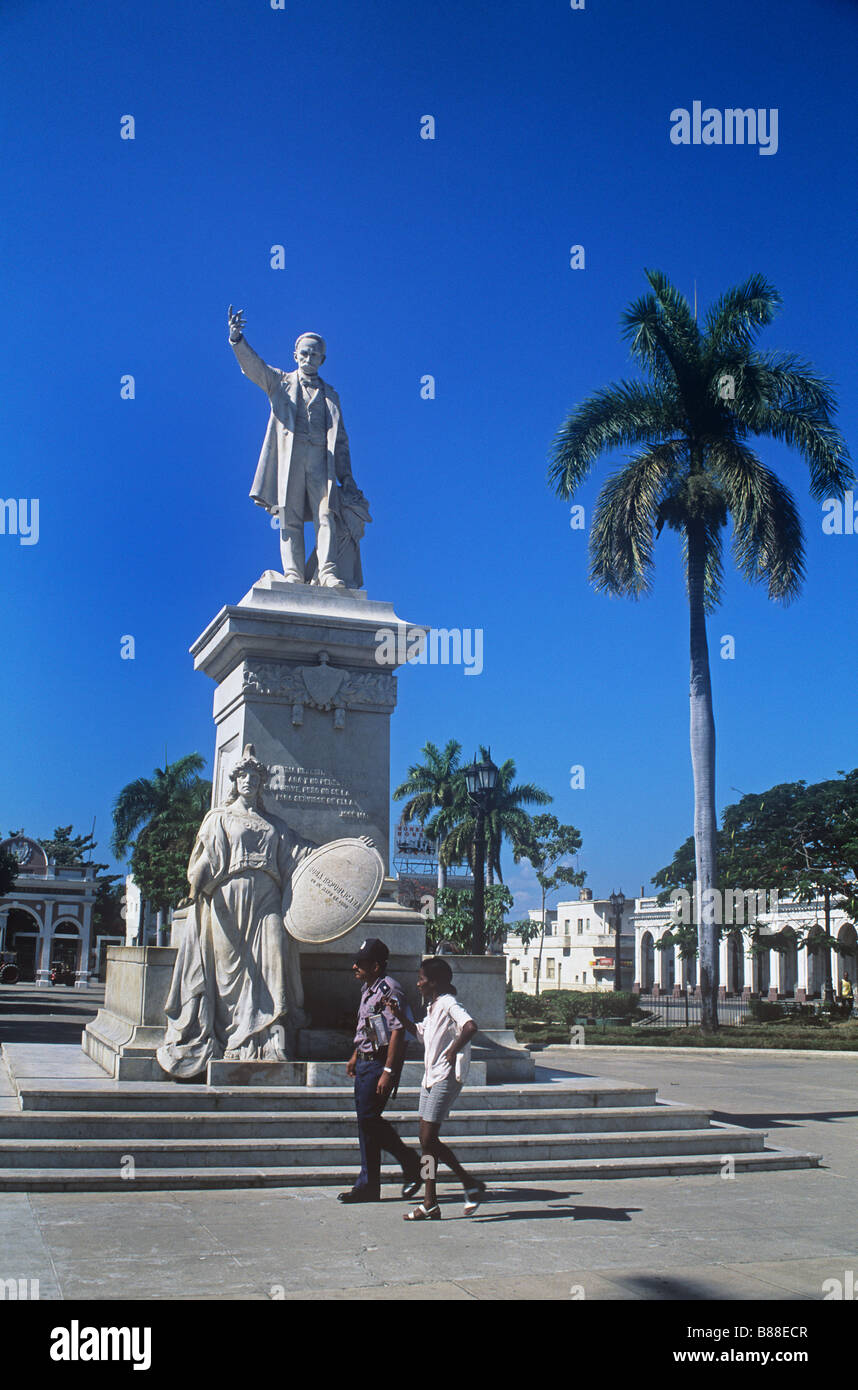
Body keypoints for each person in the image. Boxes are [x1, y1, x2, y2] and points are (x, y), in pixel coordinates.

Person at [156, 745, 315, 1079]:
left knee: (273, 960)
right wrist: (196, 883)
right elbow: (205, 861)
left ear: (261, 784)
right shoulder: (219, 818)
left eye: (255, 777)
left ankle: (270, 1037)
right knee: (230, 972)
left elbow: (303, 854)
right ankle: (235, 1037)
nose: (249, 782)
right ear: (235, 781)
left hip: (268, 898)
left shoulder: (274, 824)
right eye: (244, 776)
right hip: (229, 898)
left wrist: (351, 852)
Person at [227, 307, 366, 589]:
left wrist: (347, 477)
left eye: (314, 354)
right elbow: (256, 368)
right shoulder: (280, 382)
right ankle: (292, 574)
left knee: (326, 514)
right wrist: (237, 340)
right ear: (295, 356)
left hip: (320, 459)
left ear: (322, 359)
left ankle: (327, 571)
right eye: (304, 353)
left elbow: (341, 442)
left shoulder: (331, 396)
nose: (308, 358)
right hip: (290, 457)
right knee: (289, 516)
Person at [387, 956, 485, 1221]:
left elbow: (470, 1026)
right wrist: (399, 1017)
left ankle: (469, 1182)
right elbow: (420, 1033)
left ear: (436, 982)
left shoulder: (448, 1003)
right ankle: (430, 1202)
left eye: (421, 979)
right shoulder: (432, 1007)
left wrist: (454, 1048)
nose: (418, 983)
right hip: (430, 1078)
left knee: (428, 1139)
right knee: (426, 1142)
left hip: (445, 1077)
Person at [337, 938, 422, 1205]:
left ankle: (410, 1163)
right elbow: (367, 1028)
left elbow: (398, 1032)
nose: (354, 967)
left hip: (379, 1063)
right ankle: (369, 1185)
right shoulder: (368, 988)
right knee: (366, 1123)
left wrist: (388, 1070)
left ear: (375, 966)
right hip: (365, 1061)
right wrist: (354, 1055)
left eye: (360, 963)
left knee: (369, 1119)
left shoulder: (390, 990)